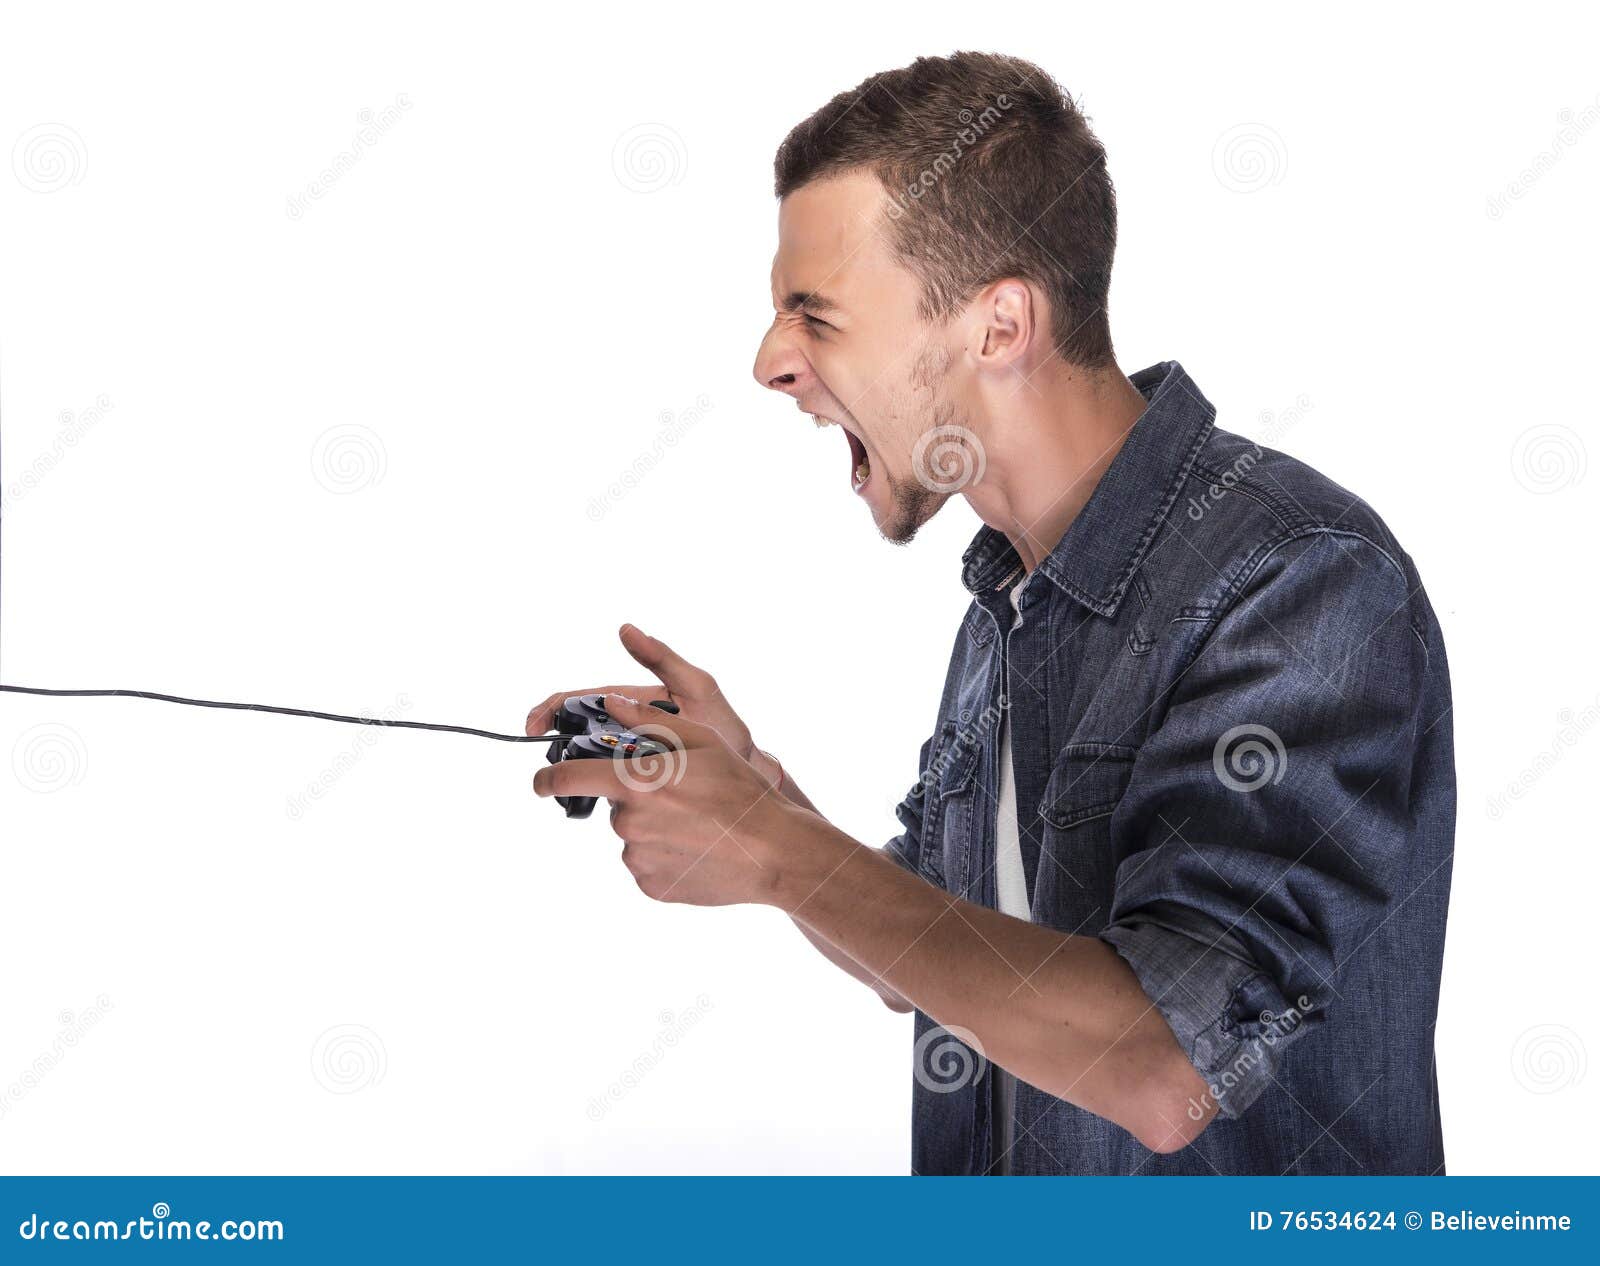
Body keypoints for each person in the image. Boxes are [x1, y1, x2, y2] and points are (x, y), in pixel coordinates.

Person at [529, 51, 1455, 1176]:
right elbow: (933, 950)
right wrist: (761, 793)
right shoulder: (1010, 603)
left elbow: (1161, 1064)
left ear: (998, 325)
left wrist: (771, 848)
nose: (771, 362)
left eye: (815, 317)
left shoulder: (1298, 580)